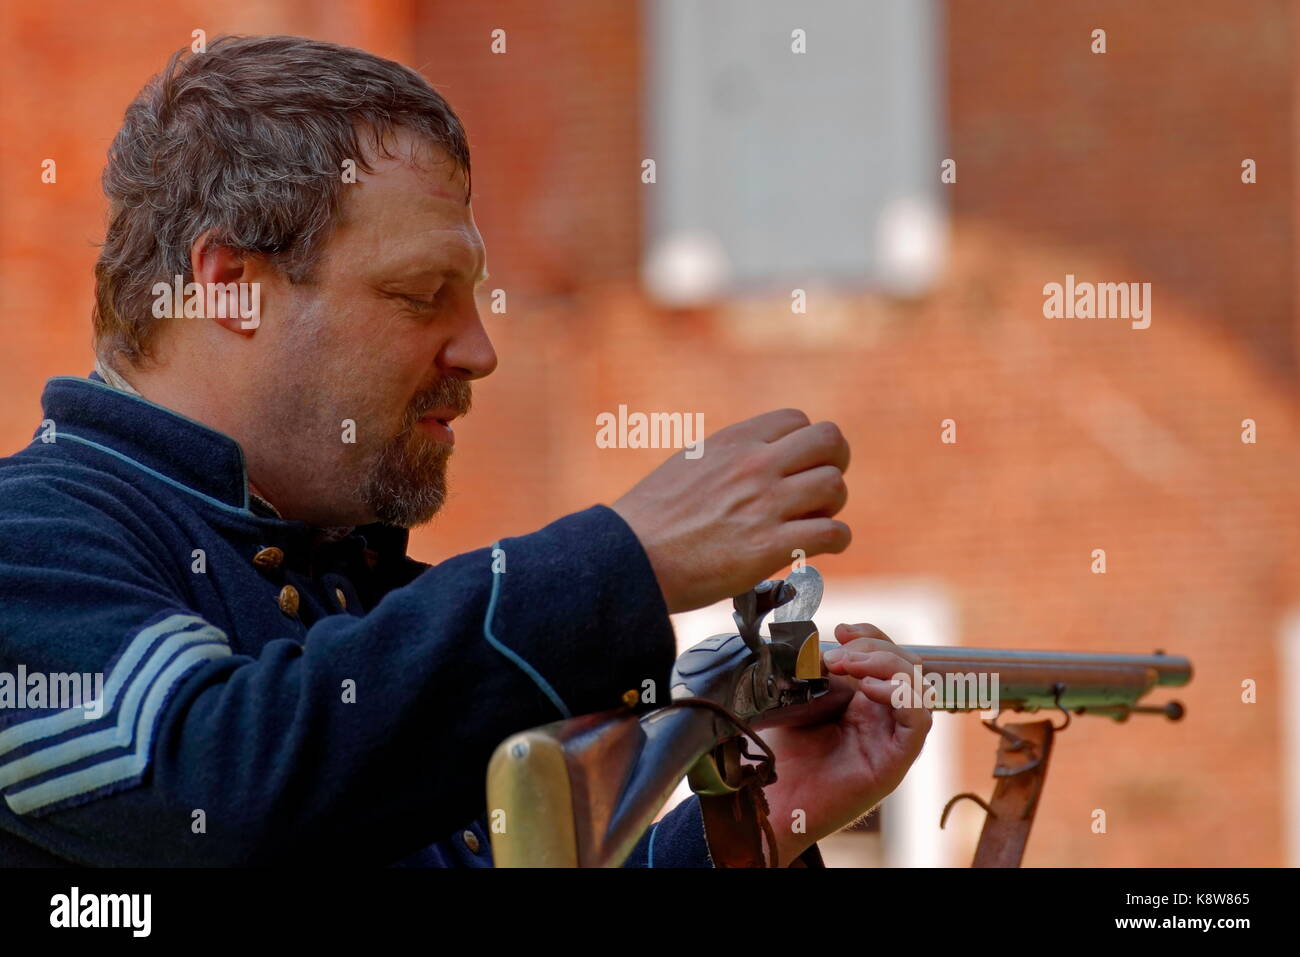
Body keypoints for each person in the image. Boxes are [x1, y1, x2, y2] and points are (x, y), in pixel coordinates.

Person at [0, 34, 931, 866]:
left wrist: (754, 825)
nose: (479, 351)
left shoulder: (361, 588)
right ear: (232, 284)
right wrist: (625, 560)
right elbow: (217, 790)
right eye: (419, 293)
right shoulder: (27, 538)